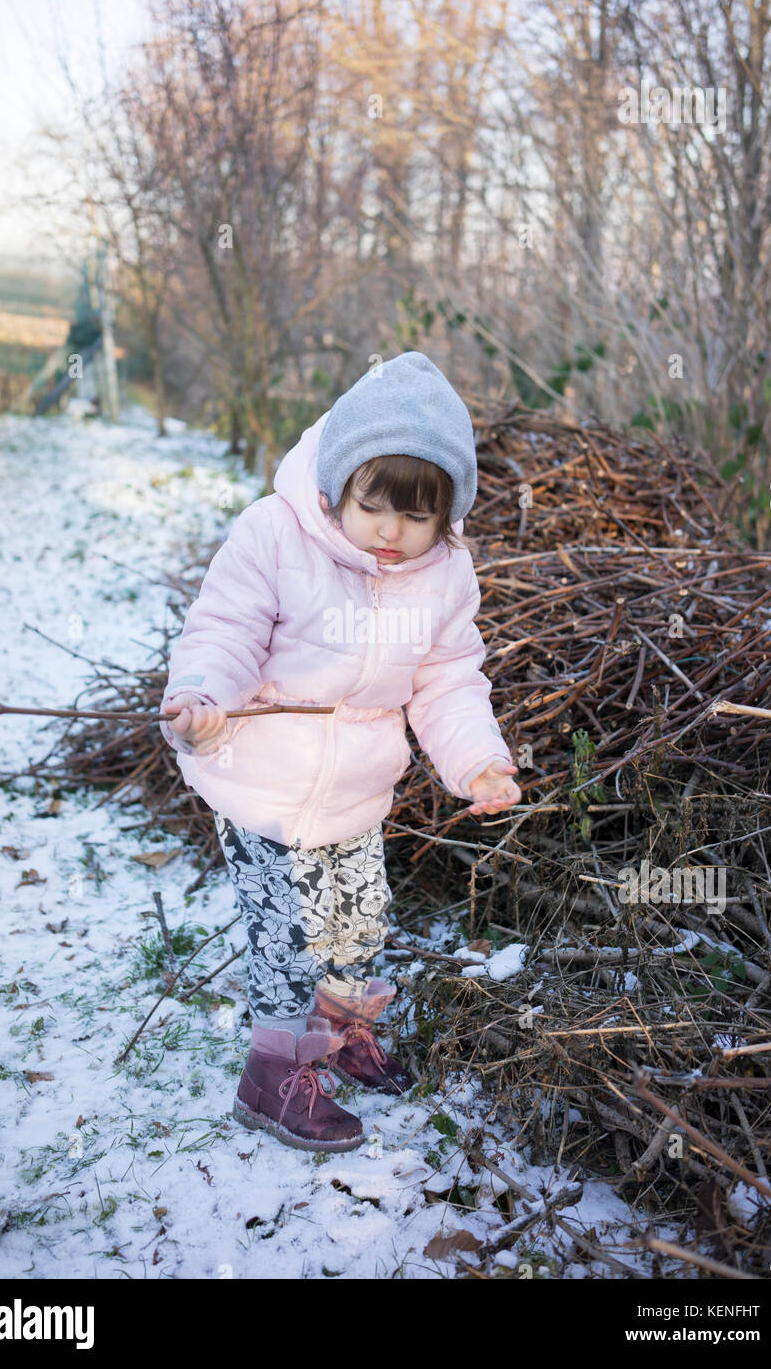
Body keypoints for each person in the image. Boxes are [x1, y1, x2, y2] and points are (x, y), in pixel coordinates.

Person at [160, 351, 520, 1152]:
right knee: (287, 940)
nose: (391, 532)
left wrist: (476, 762)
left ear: (447, 514)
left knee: (357, 927)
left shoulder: (444, 577)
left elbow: (449, 681)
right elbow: (224, 629)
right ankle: (273, 1080)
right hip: (259, 781)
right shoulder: (274, 535)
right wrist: (203, 701)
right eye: (373, 507)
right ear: (337, 484)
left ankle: (341, 1033)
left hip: (355, 794)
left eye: (417, 516)